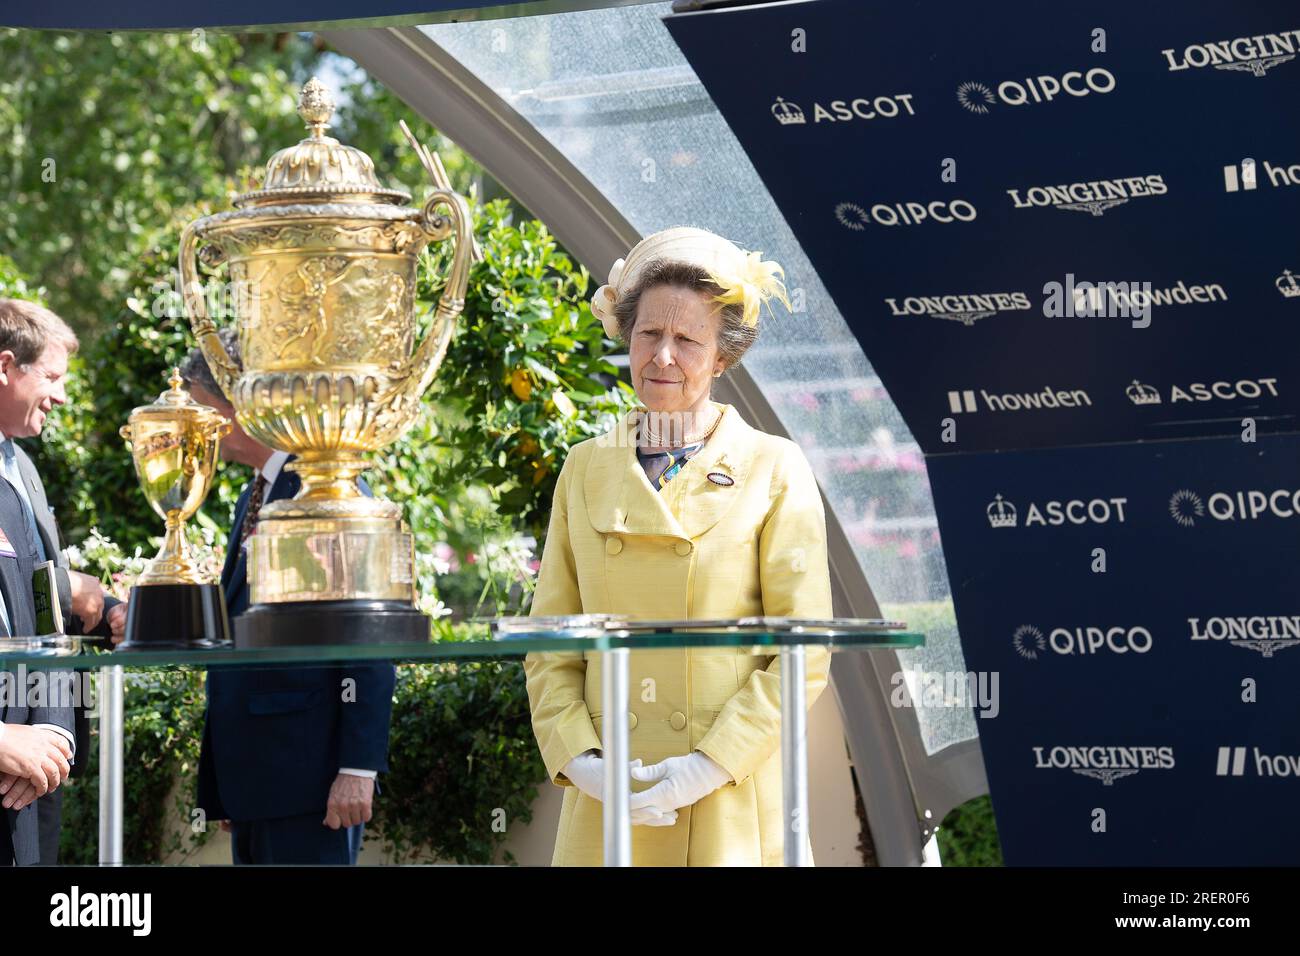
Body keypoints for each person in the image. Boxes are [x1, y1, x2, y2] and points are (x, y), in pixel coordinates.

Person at [523, 227, 833, 866]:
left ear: (722, 356)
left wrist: (706, 767)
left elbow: (804, 653)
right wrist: (585, 765)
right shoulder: (583, 468)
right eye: (648, 335)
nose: (663, 356)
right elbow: (552, 642)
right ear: (626, 337)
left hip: (727, 802)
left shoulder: (776, 468)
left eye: (688, 340)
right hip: (610, 804)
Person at [155, 331, 395, 865]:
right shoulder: (255, 493)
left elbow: (369, 630)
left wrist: (358, 766)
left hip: (310, 780)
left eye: (201, 414)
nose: (195, 433)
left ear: (240, 405)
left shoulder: (328, 489)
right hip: (258, 777)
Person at [0, 299, 122, 864]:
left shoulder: (22, 468)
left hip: (28, 784)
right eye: (50, 377)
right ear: (6, 368)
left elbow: (42, 620)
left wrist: (51, 739)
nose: (62, 395)